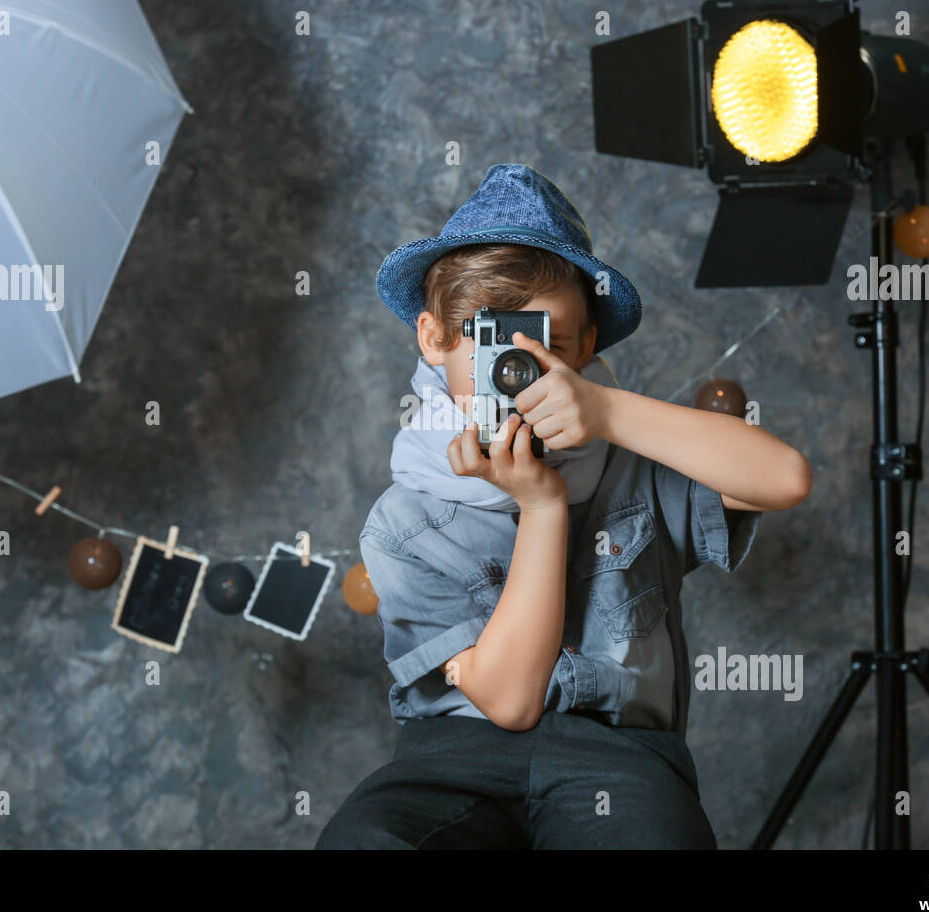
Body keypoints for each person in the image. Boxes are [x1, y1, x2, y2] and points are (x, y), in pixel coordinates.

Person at [316, 164, 811, 849]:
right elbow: (511, 703)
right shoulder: (405, 519)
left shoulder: (634, 463)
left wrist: (604, 411)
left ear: (585, 348)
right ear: (435, 339)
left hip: (618, 755)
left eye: (549, 343)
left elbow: (785, 478)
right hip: (452, 758)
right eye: (495, 338)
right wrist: (543, 508)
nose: (518, 368)